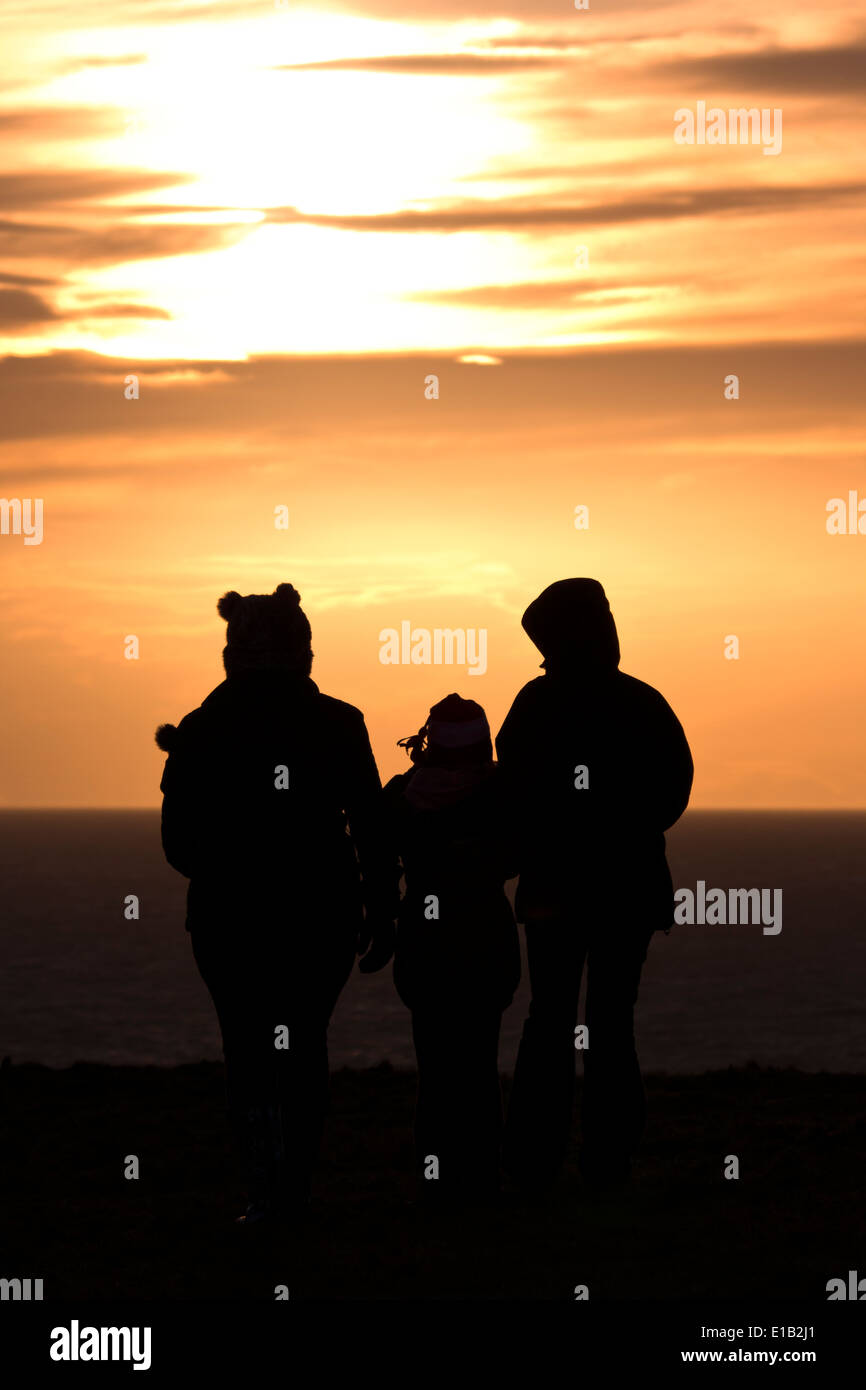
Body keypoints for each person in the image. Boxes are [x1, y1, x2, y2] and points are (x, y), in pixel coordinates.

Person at [155, 583, 398, 1226]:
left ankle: (265, 1195)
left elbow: (179, 846)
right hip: (321, 915)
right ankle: (295, 1194)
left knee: (247, 1049)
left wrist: (231, 864)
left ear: (233, 649)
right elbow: (372, 828)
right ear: (303, 648)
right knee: (304, 1046)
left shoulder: (202, 731)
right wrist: (383, 911)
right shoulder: (341, 724)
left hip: (228, 919)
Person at [496, 578, 693, 1191]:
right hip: (625, 889)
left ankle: (535, 1160)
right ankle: (607, 1161)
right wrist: (620, 830)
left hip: (557, 887)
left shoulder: (535, 703)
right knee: (611, 1021)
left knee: (548, 1018)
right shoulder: (642, 702)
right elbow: (671, 792)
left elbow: (512, 793)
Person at [383, 694, 520, 1204]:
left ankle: (436, 1180)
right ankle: (482, 1180)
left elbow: (377, 856)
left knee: (435, 1063)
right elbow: (517, 854)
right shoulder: (503, 793)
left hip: (424, 938)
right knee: (479, 1063)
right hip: (485, 934)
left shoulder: (401, 795)